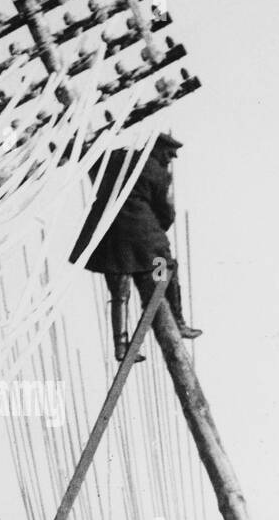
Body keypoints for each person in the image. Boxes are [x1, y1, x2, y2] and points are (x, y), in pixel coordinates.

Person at [70, 132, 201, 361]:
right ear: (158, 150)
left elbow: (93, 165)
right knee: (166, 269)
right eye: (169, 155)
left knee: (119, 293)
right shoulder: (159, 174)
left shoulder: (117, 159)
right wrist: (154, 227)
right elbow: (166, 212)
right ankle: (178, 322)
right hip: (146, 244)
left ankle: (121, 346)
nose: (169, 160)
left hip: (107, 239)